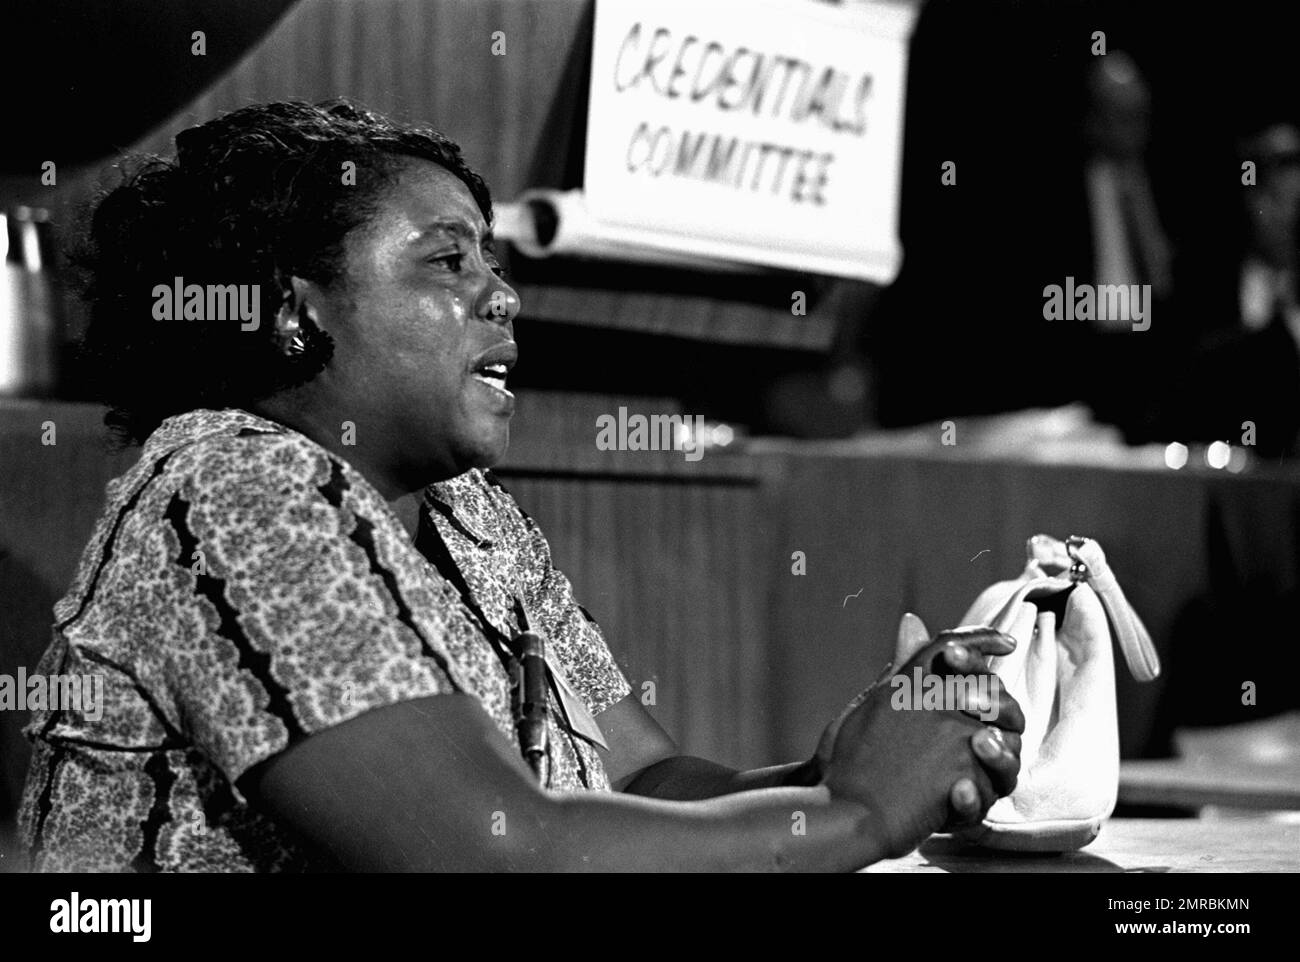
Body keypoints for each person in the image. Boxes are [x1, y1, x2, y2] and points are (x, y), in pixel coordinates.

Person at [20, 100, 1022, 872]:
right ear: (296, 309)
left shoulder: (470, 515)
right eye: (446, 260)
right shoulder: (233, 486)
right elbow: (494, 853)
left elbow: (642, 778)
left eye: (490, 258)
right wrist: (855, 814)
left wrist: (839, 762)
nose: (501, 292)